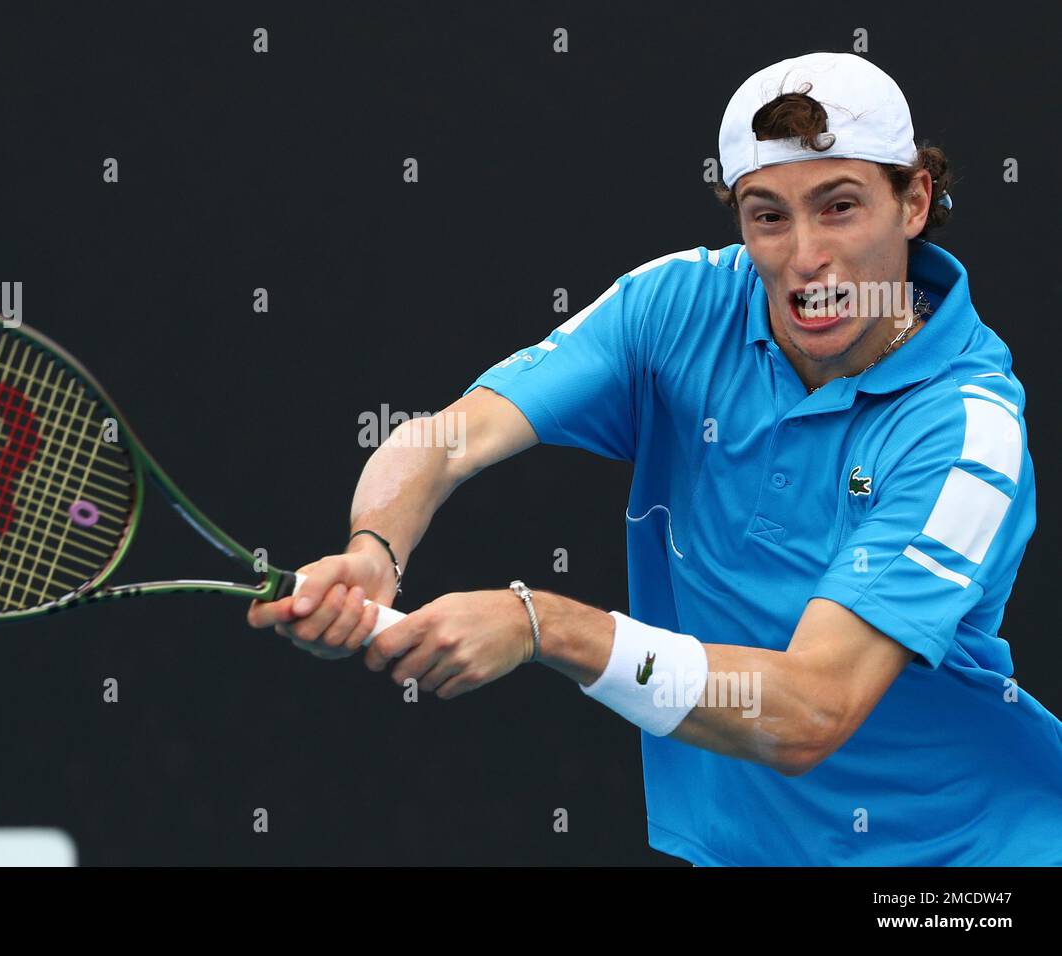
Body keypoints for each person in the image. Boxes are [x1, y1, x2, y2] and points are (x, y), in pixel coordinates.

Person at [248, 51, 1062, 865]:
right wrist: (374, 551)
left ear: (914, 199)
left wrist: (546, 626)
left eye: (839, 206)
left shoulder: (965, 431)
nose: (803, 255)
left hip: (962, 868)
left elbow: (814, 707)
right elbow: (442, 437)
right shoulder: (676, 306)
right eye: (767, 215)